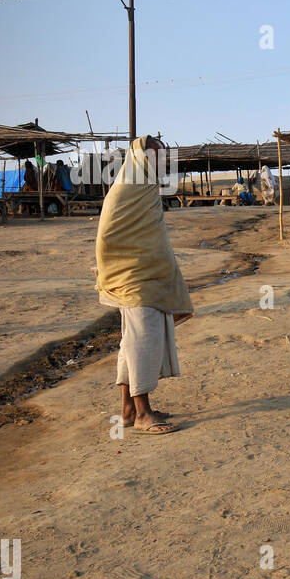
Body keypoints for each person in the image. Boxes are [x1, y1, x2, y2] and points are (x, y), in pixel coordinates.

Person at [95, 135, 192, 435]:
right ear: (141, 159)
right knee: (142, 343)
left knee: (130, 344)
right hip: (134, 280)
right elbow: (108, 235)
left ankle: (127, 410)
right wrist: (124, 266)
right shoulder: (127, 188)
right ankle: (143, 413)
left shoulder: (145, 186)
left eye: (165, 157)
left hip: (148, 279)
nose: (164, 162)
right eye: (158, 157)